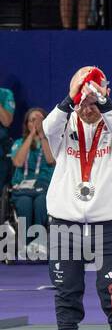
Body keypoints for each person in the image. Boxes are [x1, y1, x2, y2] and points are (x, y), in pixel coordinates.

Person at [43, 67, 112, 330]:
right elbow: (47, 127)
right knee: (65, 285)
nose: (88, 109)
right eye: (83, 102)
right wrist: (72, 99)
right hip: (65, 219)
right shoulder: (64, 123)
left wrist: (102, 101)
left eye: (93, 102)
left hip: (109, 221)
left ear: (106, 95)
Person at [10, 107, 56, 258]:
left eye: (39, 120)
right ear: (27, 124)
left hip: (43, 186)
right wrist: (31, 136)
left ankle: (40, 242)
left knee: (41, 203)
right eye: (32, 120)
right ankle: (26, 243)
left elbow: (51, 160)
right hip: (22, 187)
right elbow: (17, 162)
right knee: (24, 203)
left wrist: (42, 135)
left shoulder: (52, 142)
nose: (35, 123)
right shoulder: (19, 142)